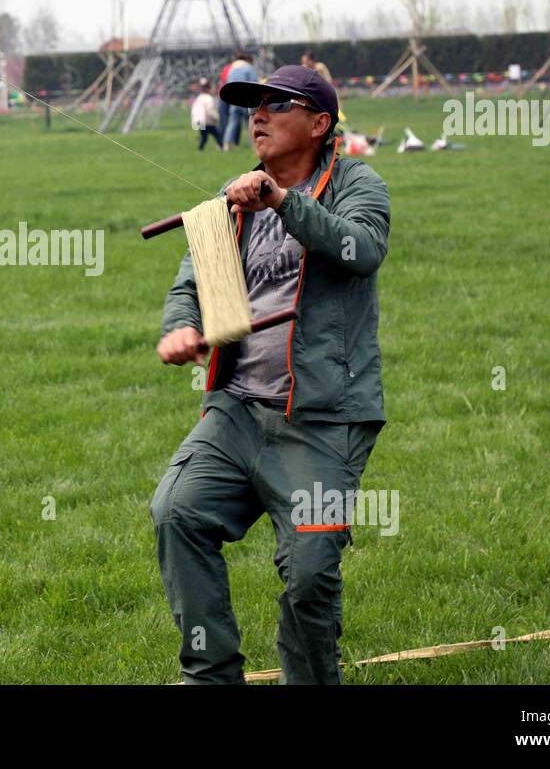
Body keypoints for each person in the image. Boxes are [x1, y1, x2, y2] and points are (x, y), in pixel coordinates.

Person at [150, 65, 391, 685]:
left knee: (311, 571)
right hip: (236, 410)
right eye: (251, 106)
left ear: (318, 124)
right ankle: (211, 674)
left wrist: (284, 202)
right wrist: (180, 327)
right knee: (177, 511)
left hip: (322, 416)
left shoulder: (357, 184)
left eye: (275, 104)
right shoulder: (228, 204)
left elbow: (359, 251)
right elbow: (190, 285)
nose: (256, 115)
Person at [220, 53, 256, 148]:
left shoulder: (232, 69)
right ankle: (253, 144)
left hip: (234, 100)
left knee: (232, 123)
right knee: (250, 123)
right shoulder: (248, 68)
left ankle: (226, 143)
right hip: (246, 100)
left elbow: (227, 83)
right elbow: (254, 83)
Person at [190, 79, 223, 152]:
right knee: (217, 135)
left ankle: (200, 150)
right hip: (208, 122)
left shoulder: (199, 97)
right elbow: (210, 111)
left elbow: (195, 110)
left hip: (200, 122)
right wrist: (217, 118)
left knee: (204, 137)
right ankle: (221, 148)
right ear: (208, 89)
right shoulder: (209, 98)